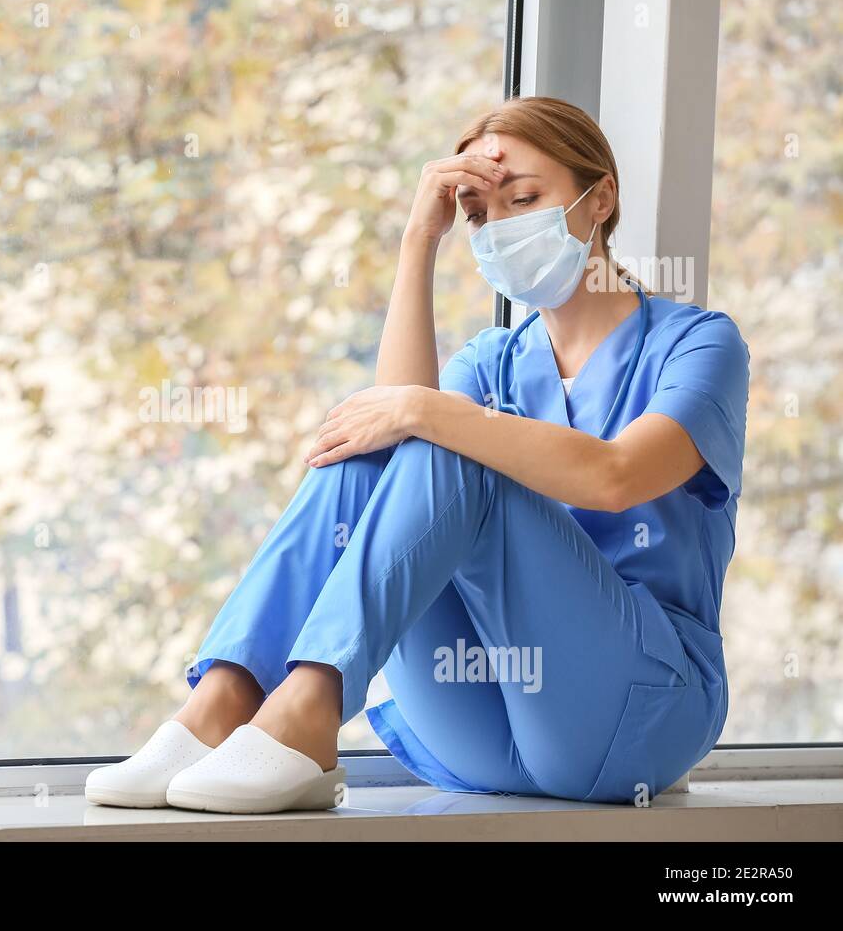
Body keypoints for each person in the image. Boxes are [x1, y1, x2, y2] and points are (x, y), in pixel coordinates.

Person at [86, 96, 750, 813]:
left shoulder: (699, 343)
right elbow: (394, 428)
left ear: (601, 200)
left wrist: (426, 411)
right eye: (478, 214)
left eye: (524, 198)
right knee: (379, 443)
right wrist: (418, 238)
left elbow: (617, 476)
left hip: (634, 713)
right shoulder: (496, 359)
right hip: (485, 722)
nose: (501, 226)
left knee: (444, 432)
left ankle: (310, 706)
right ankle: (225, 699)